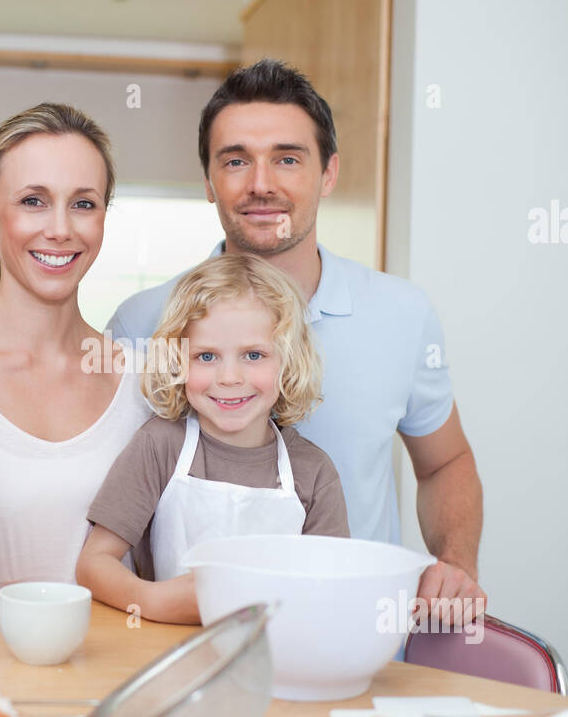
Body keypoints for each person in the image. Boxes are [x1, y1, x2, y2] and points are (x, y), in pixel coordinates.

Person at [107, 59, 486, 622]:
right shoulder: (145, 321)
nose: (261, 184)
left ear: (329, 173)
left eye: (287, 158)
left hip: (356, 642)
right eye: (236, 161)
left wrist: (455, 563)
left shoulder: (403, 314)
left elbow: (444, 462)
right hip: (185, 655)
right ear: (209, 182)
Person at [0, 103, 153, 677]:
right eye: (33, 200)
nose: (60, 228)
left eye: (84, 203)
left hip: (110, 709)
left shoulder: (146, 383)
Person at [78, 254, 349, 624]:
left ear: (288, 361)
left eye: (253, 355)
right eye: (206, 356)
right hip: (169, 654)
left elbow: (334, 591)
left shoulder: (313, 472)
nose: (229, 377)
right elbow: (94, 563)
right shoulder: (160, 446)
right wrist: (153, 601)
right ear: (177, 360)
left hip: (279, 660)